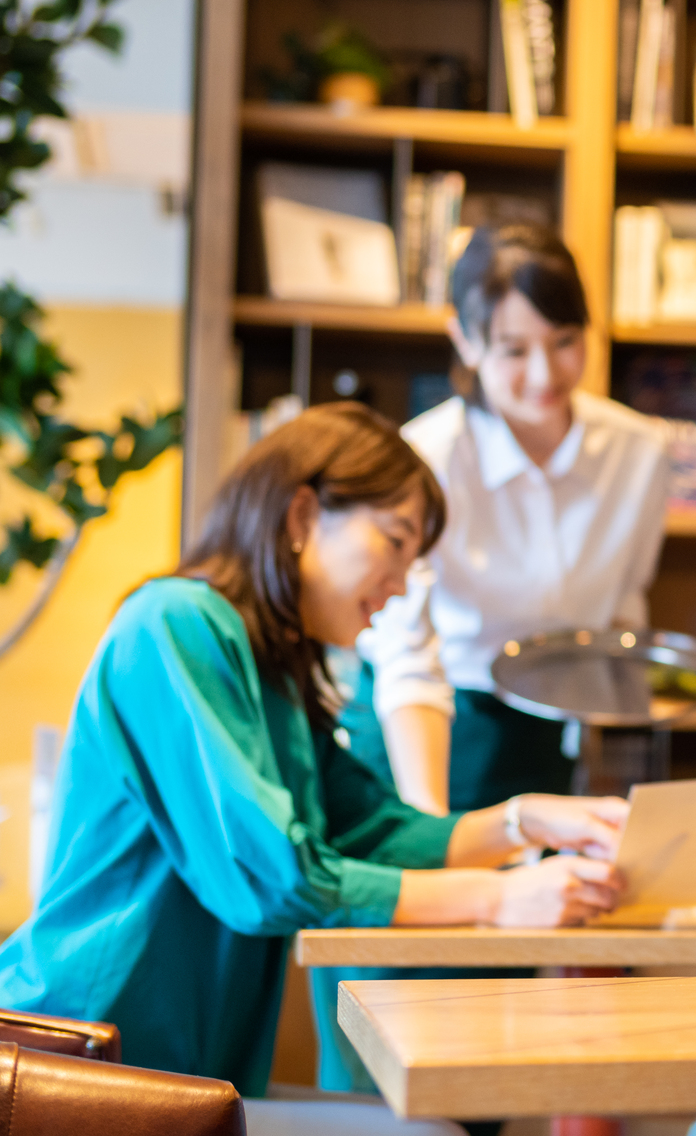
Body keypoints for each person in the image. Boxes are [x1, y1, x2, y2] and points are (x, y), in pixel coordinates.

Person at [0, 402, 627, 1098]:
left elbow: (378, 834)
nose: (399, 586)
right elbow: (273, 877)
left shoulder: (276, 671)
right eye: (395, 542)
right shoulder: (172, 623)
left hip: (182, 1071)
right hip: (81, 1062)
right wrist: (501, 897)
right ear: (302, 517)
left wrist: (527, 820)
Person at [347, 222, 674, 817]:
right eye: (514, 350)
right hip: (424, 722)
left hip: (545, 727)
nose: (546, 375)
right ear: (466, 342)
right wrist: (432, 832)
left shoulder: (640, 454)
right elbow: (409, 656)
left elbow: (625, 607)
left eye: (565, 340)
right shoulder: (425, 460)